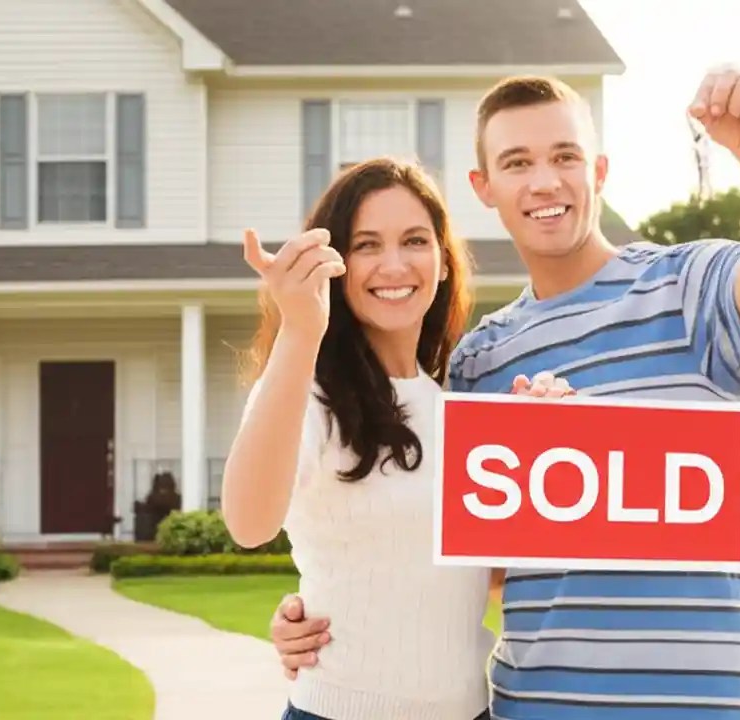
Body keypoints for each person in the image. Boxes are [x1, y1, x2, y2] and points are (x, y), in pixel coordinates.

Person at [268, 66, 740, 720]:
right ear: (484, 188)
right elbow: (469, 566)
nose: (545, 181)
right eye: (517, 162)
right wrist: (320, 614)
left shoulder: (690, 289)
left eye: (564, 156)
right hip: (536, 706)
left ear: (598, 171)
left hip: (703, 705)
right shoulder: (480, 361)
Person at [222, 156, 574, 720]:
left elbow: (474, 578)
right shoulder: (306, 393)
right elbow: (247, 522)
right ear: (336, 264)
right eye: (366, 245)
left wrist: (540, 453)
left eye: (414, 240)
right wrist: (300, 330)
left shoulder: (459, 409)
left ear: (441, 263)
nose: (394, 264)